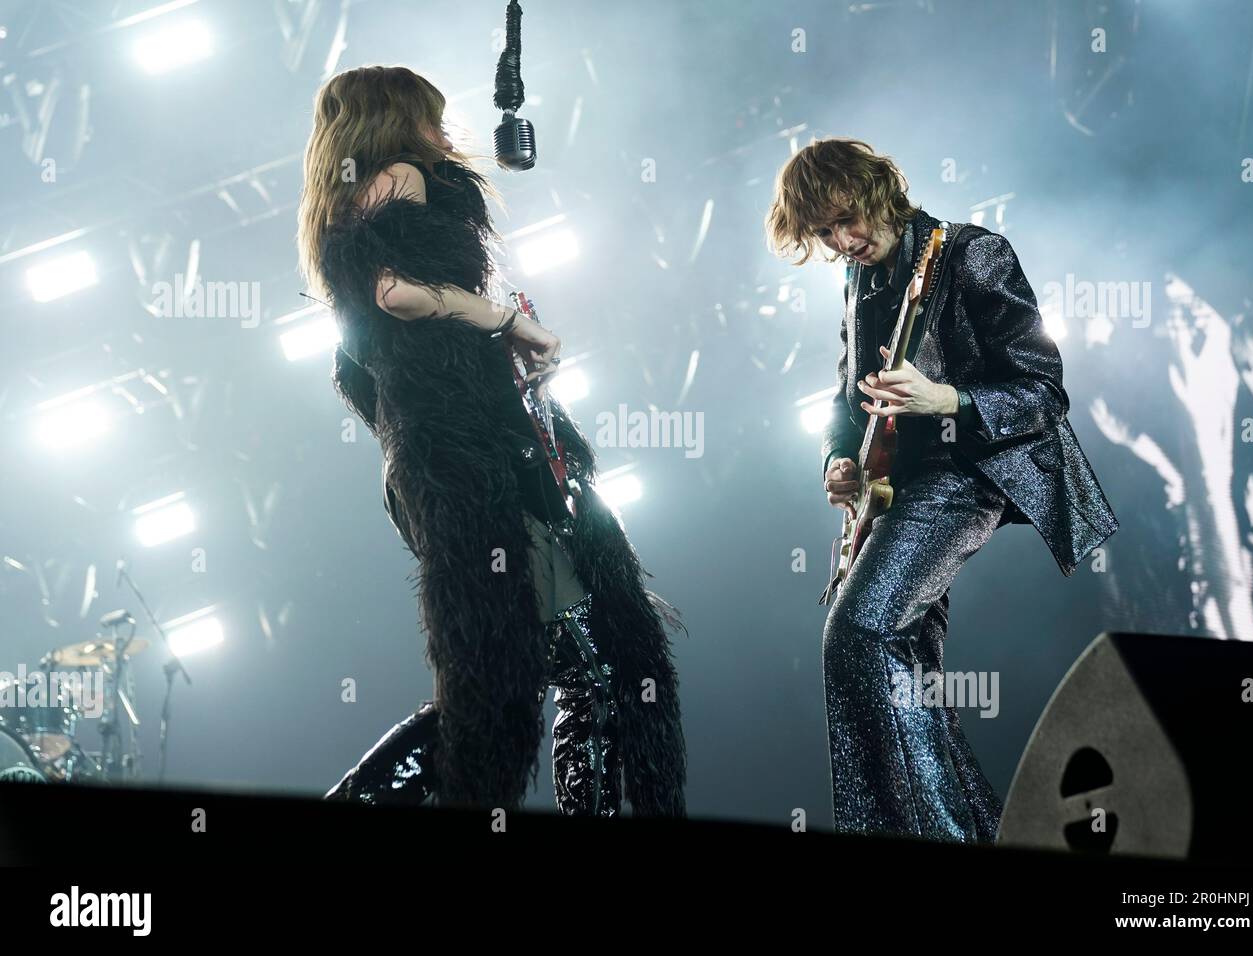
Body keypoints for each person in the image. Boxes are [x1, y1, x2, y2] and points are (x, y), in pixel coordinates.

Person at [296, 65, 686, 817]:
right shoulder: (401, 176)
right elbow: (394, 292)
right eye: (433, 117)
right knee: (581, 674)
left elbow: (363, 362)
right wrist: (509, 322)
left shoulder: (344, 204)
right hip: (476, 472)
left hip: (451, 464)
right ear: (399, 119)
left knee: (509, 684)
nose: (447, 133)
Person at [765, 138, 1118, 841]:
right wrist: (838, 459)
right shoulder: (859, 282)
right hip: (898, 485)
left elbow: (1044, 392)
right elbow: (846, 394)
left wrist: (947, 398)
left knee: (859, 633)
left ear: (877, 190)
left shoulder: (970, 254)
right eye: (825, 233)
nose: (842, 241)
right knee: (907, 670)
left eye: (845, 219)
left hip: (969, 472)